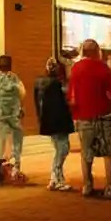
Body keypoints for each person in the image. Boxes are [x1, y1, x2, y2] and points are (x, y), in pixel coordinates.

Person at [69, 39, 111, 199]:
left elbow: (72, 94)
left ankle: (87, 185)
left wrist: (75, 114)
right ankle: (110, 185)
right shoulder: (103, 68)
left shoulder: (76, 68)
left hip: (84, 117)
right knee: (109, 151)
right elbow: (110, 93)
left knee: (86, 152)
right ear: (96, 51)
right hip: (103, 116)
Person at [35, 57, 75, 191]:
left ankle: (55, 178)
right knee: (63, 149)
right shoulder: (58, 85)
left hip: (48, 122)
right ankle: (56, 178)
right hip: (59, 122)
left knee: (60, 149)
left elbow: (38, 104)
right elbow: (64, 103)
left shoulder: (40, 83)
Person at [0, 55, 25, 178]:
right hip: (13, 115)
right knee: (16, 138)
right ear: (10, 65)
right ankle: (16, 166)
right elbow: (22, 93)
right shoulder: (14, 79)